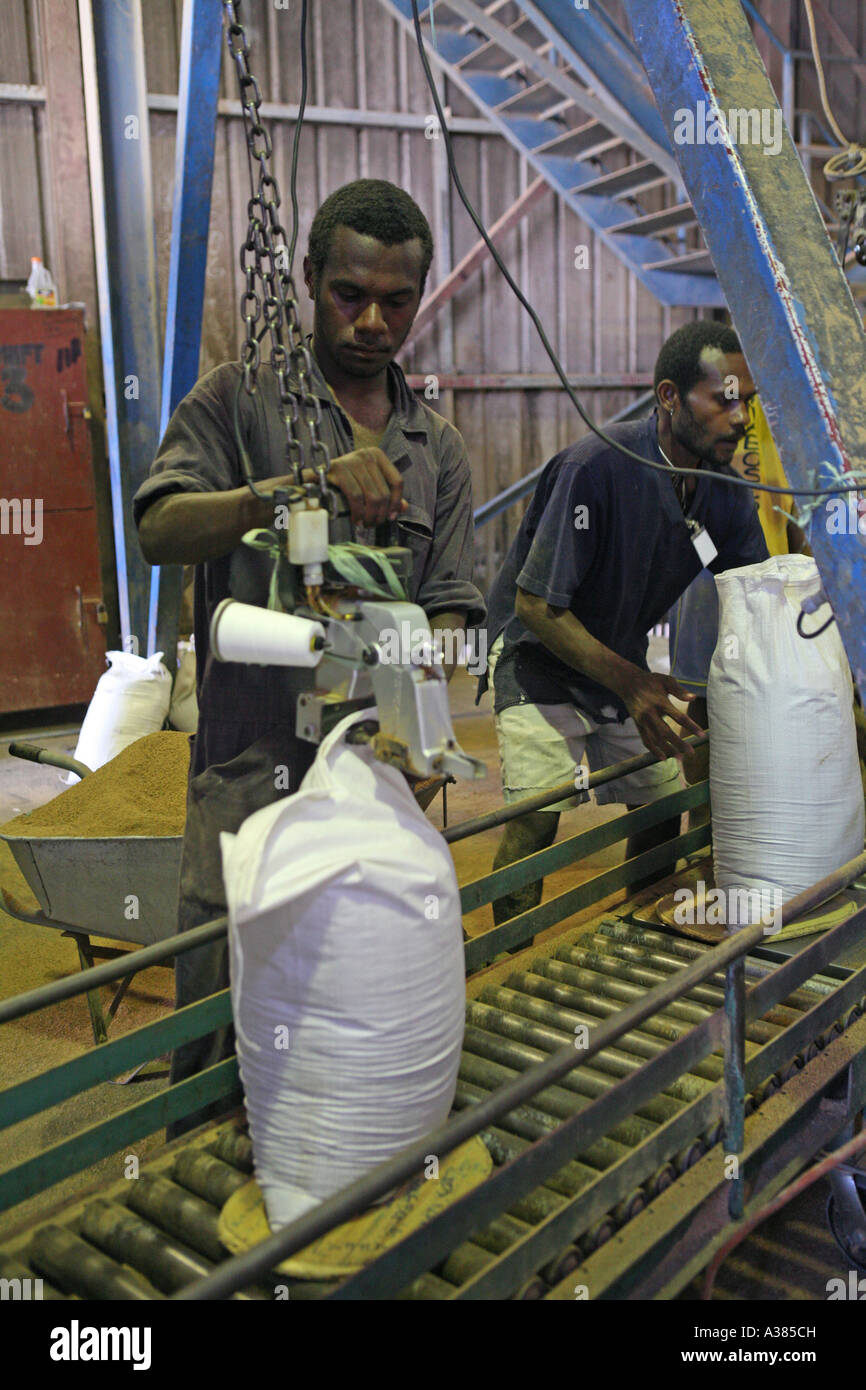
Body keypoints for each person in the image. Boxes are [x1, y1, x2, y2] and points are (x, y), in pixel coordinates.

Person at [135, 179, 485, 1133]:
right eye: (348, 295)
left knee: (366, 1004)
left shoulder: (436, 452)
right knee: (215, 1016)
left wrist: (418, 675)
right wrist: (287, 492)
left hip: (375, 779)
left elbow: (455, 609)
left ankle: (347, 1160)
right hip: (249, 776)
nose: (373, 321)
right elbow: (160, 527)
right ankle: (198, 1182)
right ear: (308, 280)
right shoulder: (238, 401)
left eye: (397, 301)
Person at [480, 320, 769, 930]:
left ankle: (639, 927)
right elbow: (536, 606)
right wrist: (635, 684)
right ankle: (506, 950)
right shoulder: (596, 469)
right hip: (539, 661)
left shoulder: (723, 493)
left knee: (662, 805)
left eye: (748, 401)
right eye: (724, 399)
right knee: (539, 813)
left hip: (620, 666)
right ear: (669, 397)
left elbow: (757, 593)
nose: (741, 417)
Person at [667, 394, 808, 806]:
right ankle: (701, 819)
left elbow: (796, 500)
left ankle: (757, 803)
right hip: (711, 574)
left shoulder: (789, 400)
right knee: (706, 699)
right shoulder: (723, 399)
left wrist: (801, 567)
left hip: (773, 569)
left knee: (771, 691)